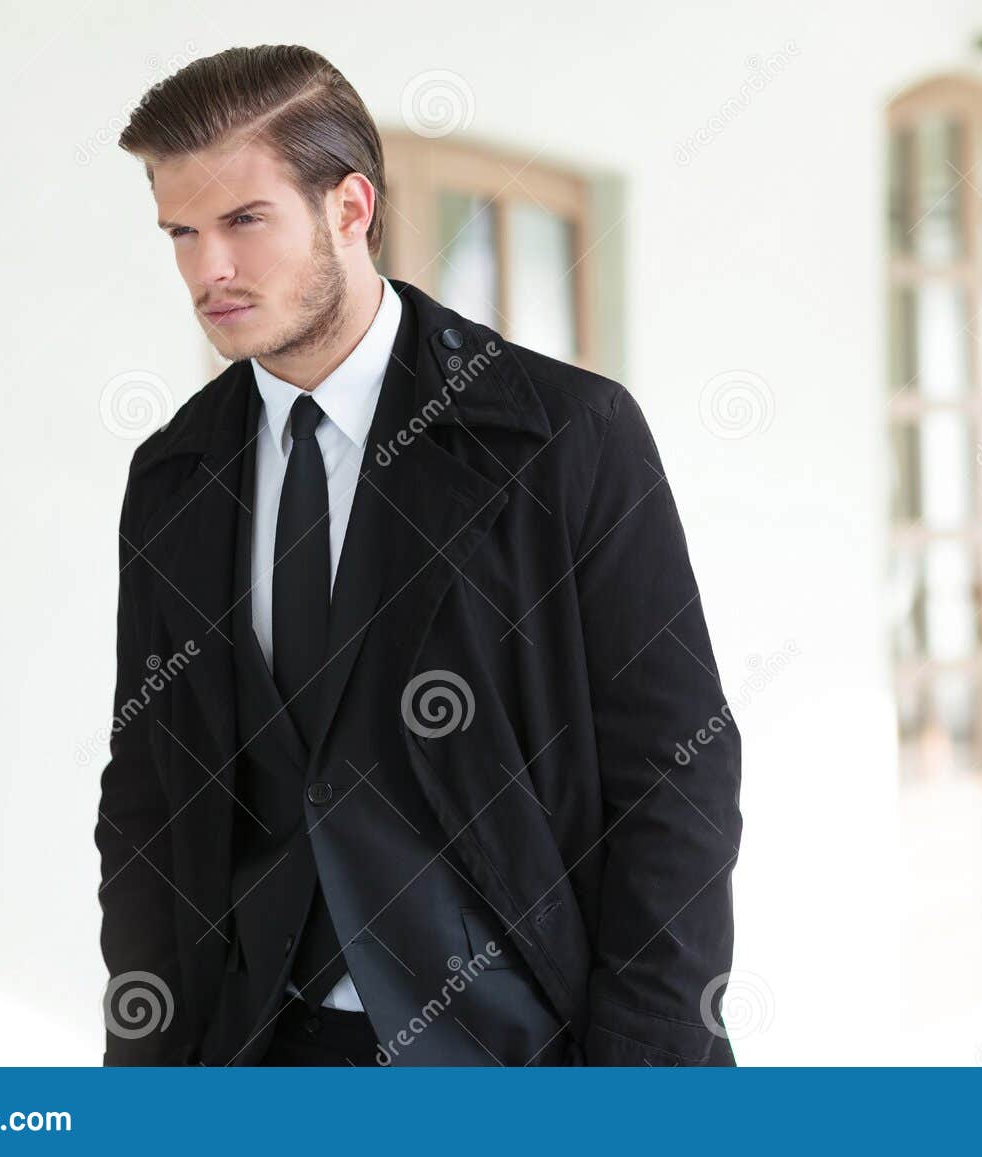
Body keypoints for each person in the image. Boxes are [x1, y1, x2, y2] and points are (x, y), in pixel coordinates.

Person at [95, 44, 742, 1066]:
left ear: (350, 208)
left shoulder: (565, 434)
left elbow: (678, 777)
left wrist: (641, 1079)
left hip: (521, 1047)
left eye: (242, 221)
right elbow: (144, 799)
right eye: (180, 231)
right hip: (258, 1050)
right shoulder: (173, 474)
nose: (206, 267)